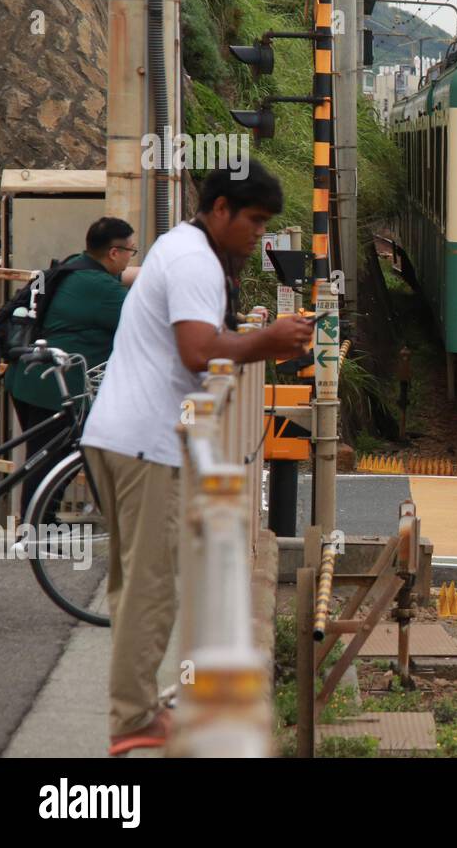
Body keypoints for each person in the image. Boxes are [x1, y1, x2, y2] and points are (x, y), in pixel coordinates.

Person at [80, 163, 314, 756]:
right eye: (254, 221)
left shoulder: (179, 247)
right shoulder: (194, 261)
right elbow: (197, 351)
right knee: (150, 589)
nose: (259, 234)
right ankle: (132, 722)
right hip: (146, 444)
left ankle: (135, 704)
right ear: (220, 211)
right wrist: (271, 340)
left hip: (117, 434)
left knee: (133, 583)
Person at [4, 217, 139, 506]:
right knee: (49, 465)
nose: (132, 257)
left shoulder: (79, 265)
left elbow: (125, 276)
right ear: (114, 253)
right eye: (131, 251)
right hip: (52, 387)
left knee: (45, 460)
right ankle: (37, 536)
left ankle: (39, 530)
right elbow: (147, 324)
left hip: (30, 378)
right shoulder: (101, 289)